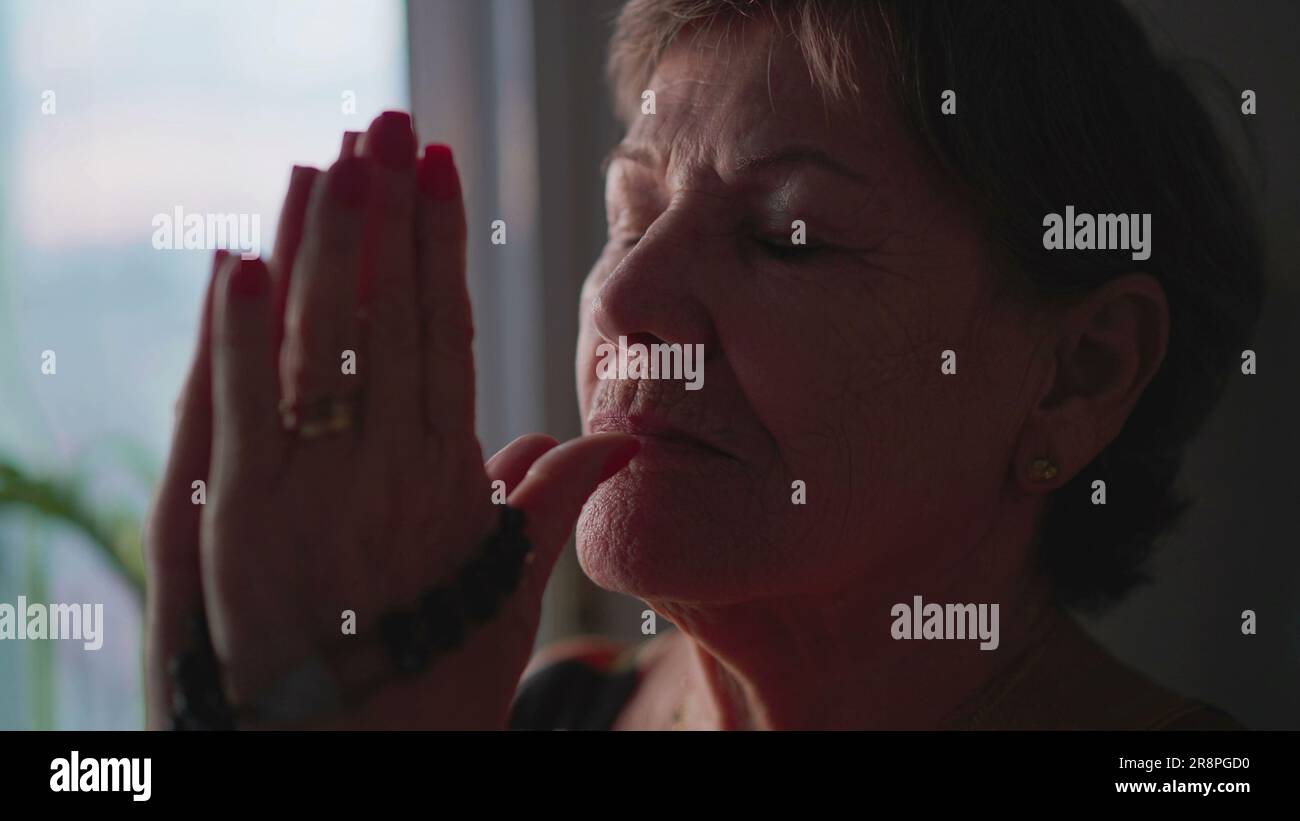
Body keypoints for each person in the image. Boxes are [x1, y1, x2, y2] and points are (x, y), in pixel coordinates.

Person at [145, 0, 1262, 730]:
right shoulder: (523, 710)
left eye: (787, 238)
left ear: (1078, 372)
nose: (624, 300)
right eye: (630, 215)